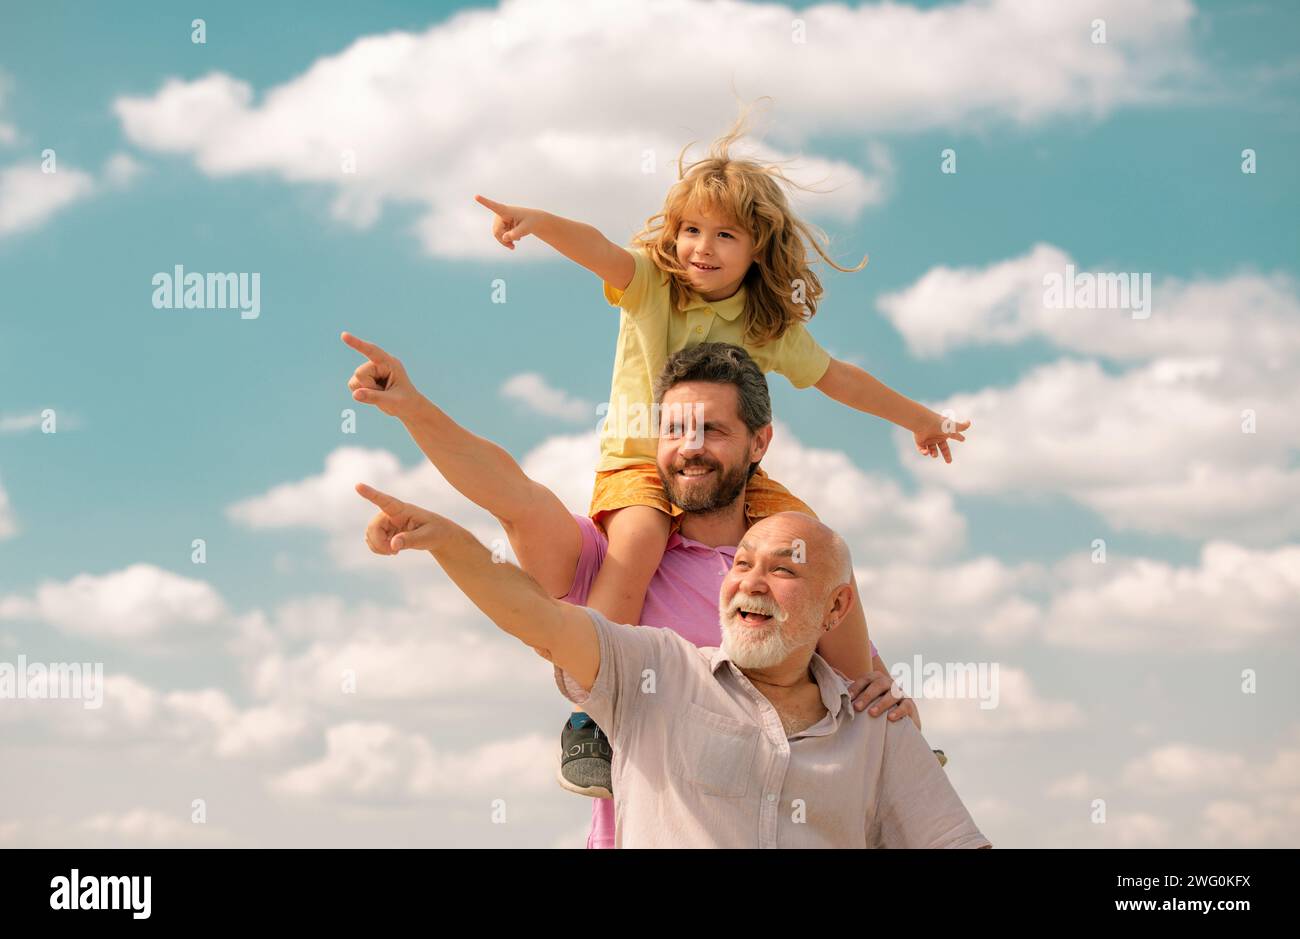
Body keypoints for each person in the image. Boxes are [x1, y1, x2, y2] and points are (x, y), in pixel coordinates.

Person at [473, 100, 970, 797]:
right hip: (642, 460)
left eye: (723, 235)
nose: (700, 247)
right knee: (639, 540)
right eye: (690, 230)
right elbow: (599, 248)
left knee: (816, 544)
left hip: (730, 470)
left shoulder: (764, 324)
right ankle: (588, 718)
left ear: (756, 249)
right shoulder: (652, 286)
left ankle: (881, 712)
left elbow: (839, 377)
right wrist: (540, 222)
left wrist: (919, 417)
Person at [344, 334, 927, 847]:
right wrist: (414, 410)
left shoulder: (796, 577)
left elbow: (873, 714)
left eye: (714, 431)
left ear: (760, 443)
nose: (690, 447)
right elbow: (514, 497)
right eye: (674, 430)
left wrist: (898, 710)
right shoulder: (614, 556)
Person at [350, 486, 990, 849]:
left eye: (784, 570)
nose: (752, 584)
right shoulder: (654, 670)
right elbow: (537, 620)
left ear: (837, 607)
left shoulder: (878, 729)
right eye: (741, 564)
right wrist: (448, 541)